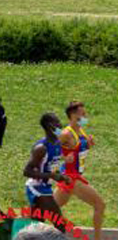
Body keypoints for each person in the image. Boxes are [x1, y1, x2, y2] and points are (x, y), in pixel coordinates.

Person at [55, 101, 105, 240]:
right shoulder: (66, 134)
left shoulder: (81, 130)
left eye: (85, 113)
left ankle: (21, 227)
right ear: (72, 115)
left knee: (48, 209)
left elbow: (78, 151)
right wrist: (64, 159)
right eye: (82, 114)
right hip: (71, 178)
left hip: (71, 177)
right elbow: (52, 152)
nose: (85, 116)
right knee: (100, 205)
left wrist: (88, 144)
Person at [23, 113, 68, 225]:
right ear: (49, 126)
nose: (60, 125)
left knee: (36, 226)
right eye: (57, 122)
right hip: (37, 188)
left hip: (46, 187)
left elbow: (51, 167)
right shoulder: (41, 148)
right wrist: (51, 176)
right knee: (60, 224)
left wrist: (60, 177)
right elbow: (27, 171)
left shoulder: (58, 144)